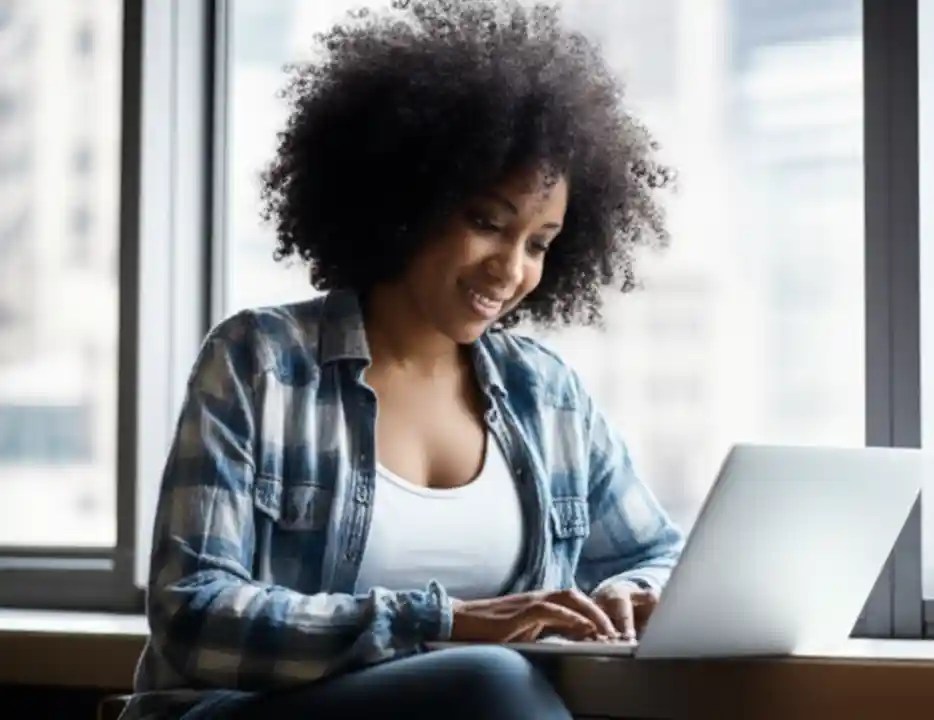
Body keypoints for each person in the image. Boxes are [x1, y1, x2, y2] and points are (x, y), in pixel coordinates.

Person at [121, 1, 684, 717]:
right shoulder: (260, 363)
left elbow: (657, 554)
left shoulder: (547, 395)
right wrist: (443, 621)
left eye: (540, 243)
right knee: (495, 681)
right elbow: (193, 612)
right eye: (487, 223)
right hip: (245, 709)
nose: (511, 269)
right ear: (407, 198)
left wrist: (633, 591)